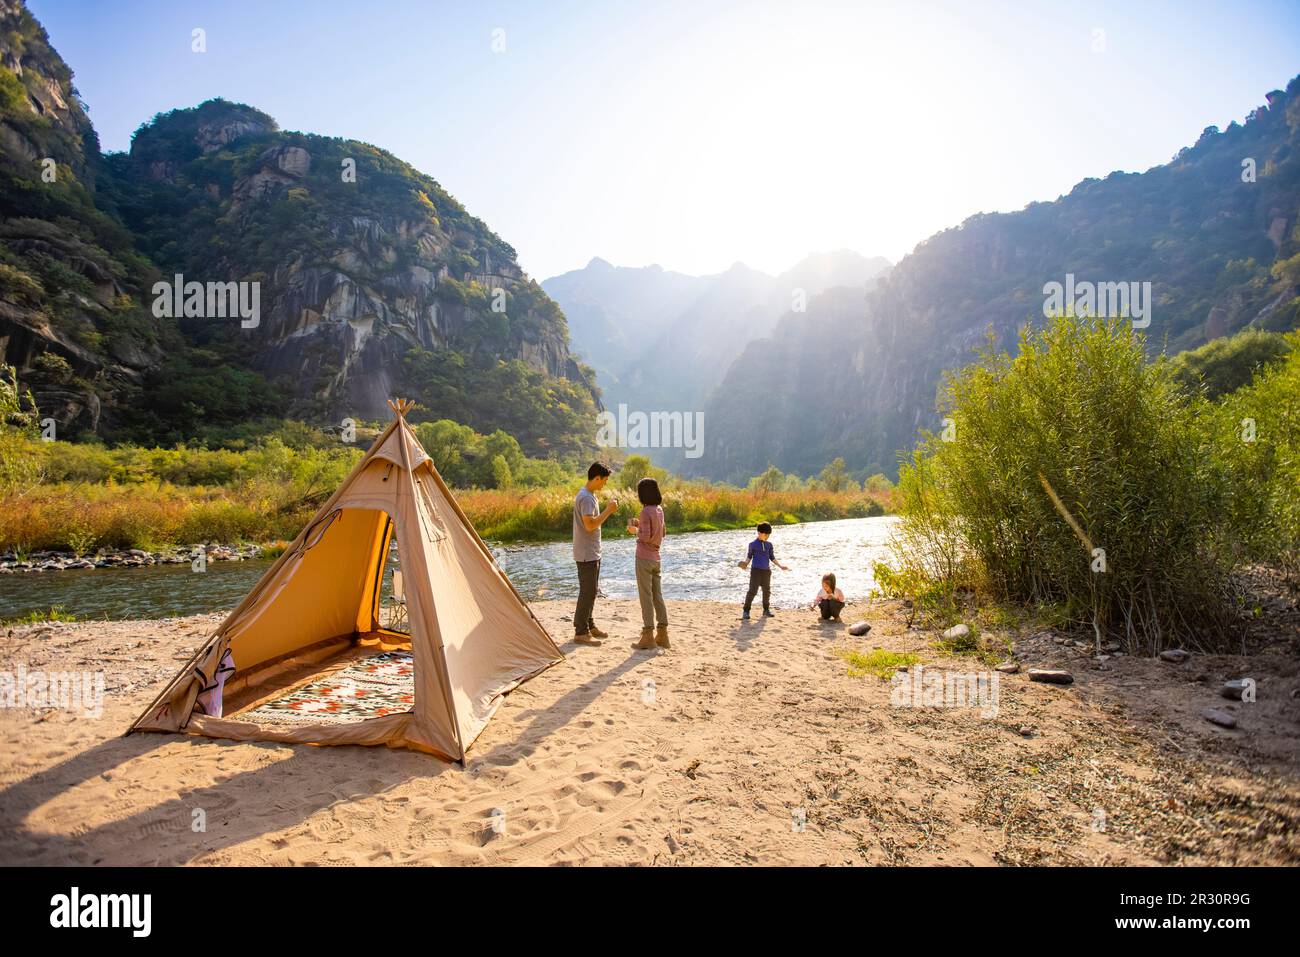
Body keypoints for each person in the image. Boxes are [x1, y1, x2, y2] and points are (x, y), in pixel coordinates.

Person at [573, 462, 618, 645]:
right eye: (604, 481)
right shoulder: (587, 498)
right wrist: (609, 510)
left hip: (591, 552)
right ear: (597, 478)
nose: (604, 485)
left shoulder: (589, 495)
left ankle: (589, 625)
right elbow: (590, 525)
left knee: (592, 591)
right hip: (586, 553)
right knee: (588, 591)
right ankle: (580, 631)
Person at [628, 477, 669, 650]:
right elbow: (663, 532)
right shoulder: (659, 510)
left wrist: (634, 529)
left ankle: (648, 636)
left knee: (645, 596)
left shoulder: (645, 511)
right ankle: (663, 635)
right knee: (657, 596)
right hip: (656, 558)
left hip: (643, 558)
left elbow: (644, 536)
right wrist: (641, 526)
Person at [739, 522, 788, 620]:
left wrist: (780, 566)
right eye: (766, 534)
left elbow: (772, 557)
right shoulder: (752, 544)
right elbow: (749, 557)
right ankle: (746, 611)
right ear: (759, 533)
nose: (767, 536)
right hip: (756, 571)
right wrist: (744, 564)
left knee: (767, 591)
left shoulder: (769, 545)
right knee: (752, 591)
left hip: (766, 571)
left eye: (768, 535)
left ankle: (766, 610)